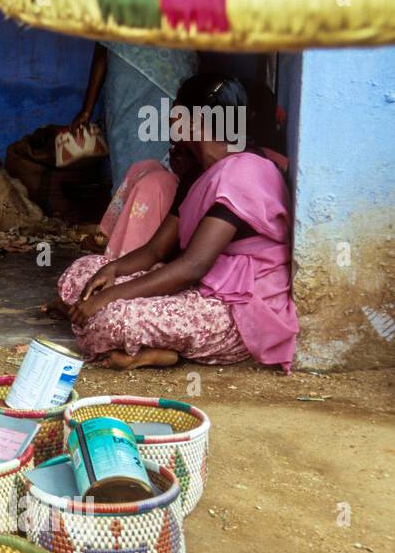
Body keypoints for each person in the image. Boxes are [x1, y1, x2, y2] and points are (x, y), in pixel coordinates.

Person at [56, 74, 298, 372]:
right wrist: (112, 270)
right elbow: (157, 250)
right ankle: (153, 345)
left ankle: (162, 351)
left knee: (112, 319)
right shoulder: (199, 172)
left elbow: (192, 266)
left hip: (237, 305)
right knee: (82, 273)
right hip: (203, 285)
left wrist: (108, 297)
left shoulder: (243, 174)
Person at [71, 42, 197, 190]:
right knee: (127, 161)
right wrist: (87, 110)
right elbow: (102, 50)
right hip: (127, 86)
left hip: (170, 81)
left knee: (170, 161)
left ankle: (157, 207)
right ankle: (130, 208)